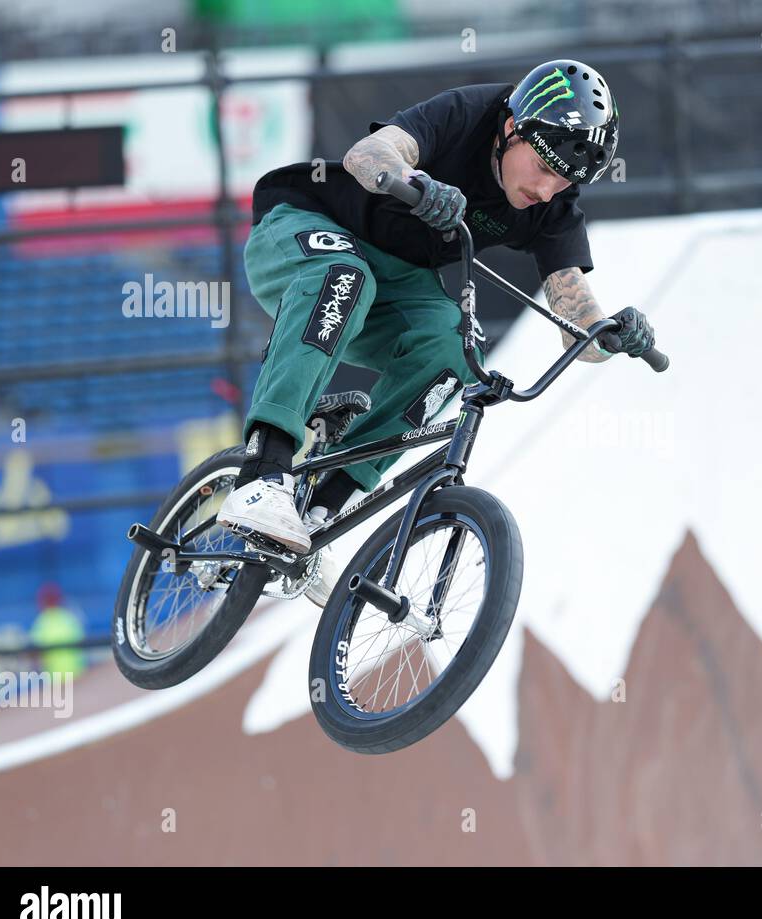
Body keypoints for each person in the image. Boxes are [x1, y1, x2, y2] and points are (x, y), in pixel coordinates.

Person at [219, 60, 657, 607]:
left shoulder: (554, 206)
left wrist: (609, 333)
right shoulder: (470, 113)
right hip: (305, 227)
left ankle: (319, 510)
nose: (548, 191)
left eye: (567, 181)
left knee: (457, 349)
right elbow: (366, 156)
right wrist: (415, 182)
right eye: (545, 168)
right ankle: (263, 473)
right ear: (513, 128)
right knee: (344, 277)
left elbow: (575, 319)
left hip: (397, 281)